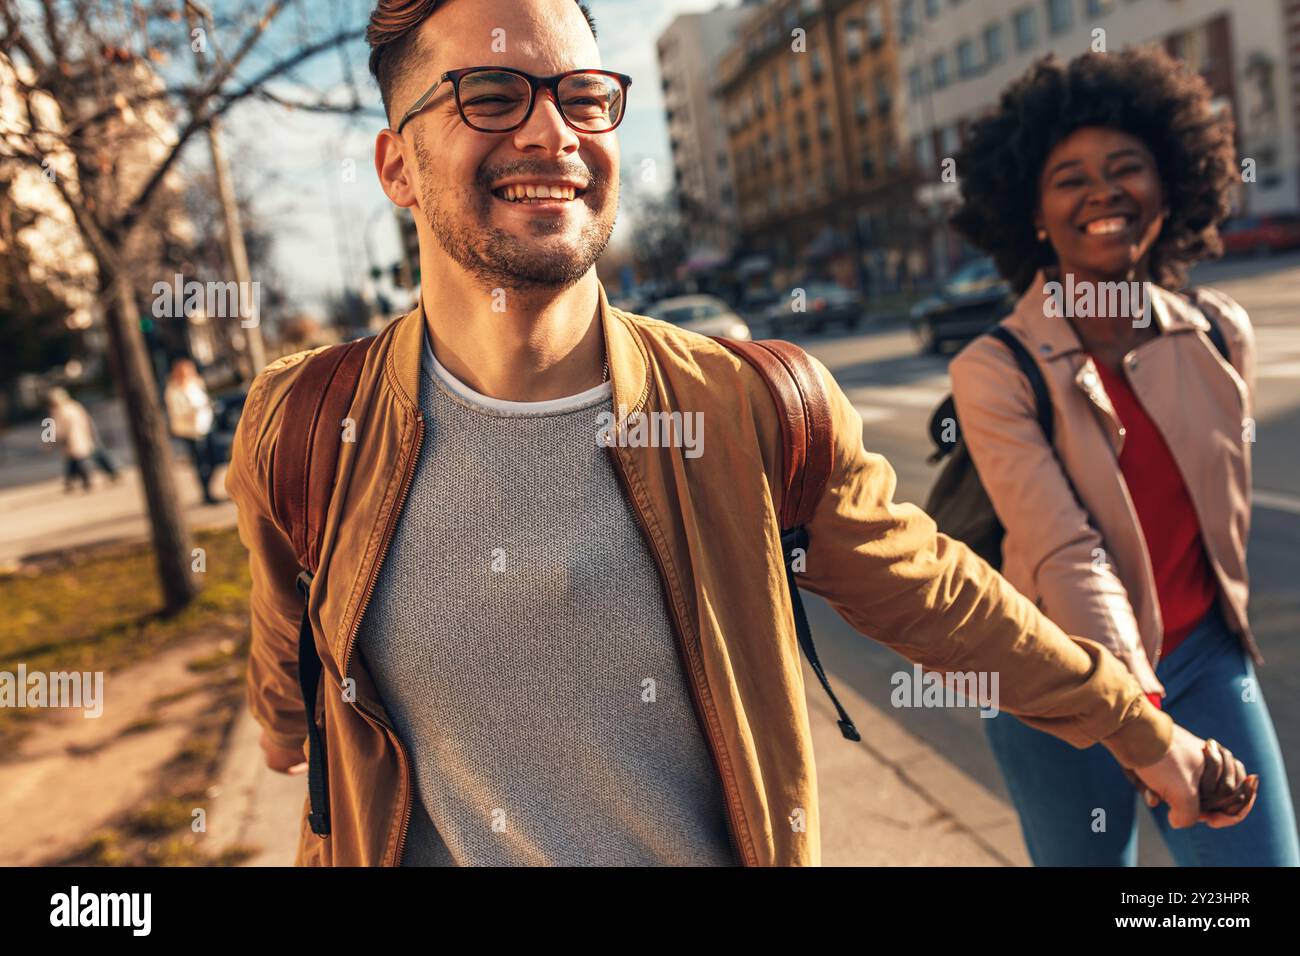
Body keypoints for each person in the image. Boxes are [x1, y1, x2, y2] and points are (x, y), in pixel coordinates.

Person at [225, 0, 1254, 867]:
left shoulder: (750, 408)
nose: (551, 134)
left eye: (582, 96)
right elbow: (290, 649)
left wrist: (1134, 724)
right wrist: (281, 723)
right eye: (490, 96)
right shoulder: (307, 422)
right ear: (397, 166)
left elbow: (942, 596)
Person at [948, 47, 1298, 866]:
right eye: (1069, 177)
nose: (1102, 189)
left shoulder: (1219, 333)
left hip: (1206, 658)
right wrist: (1142, 722)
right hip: (1056, 680)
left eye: (1125, 167)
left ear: (1168, 186)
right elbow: (1068, 552)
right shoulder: (996, 368)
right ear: (1033, 214)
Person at [164, 358, 218, 505]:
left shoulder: (196, 384)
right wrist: (194, 410)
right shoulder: (173, 390)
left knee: (213, 459)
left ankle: (208, 488)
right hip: (190, 432)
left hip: (205, 427)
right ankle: (206, 493)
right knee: (201, 463)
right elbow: (177, 412)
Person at [45, 387, 118, 492]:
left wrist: (49, 442)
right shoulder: (73, 406)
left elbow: (55, 428)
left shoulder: (62, 410)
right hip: (79, 437)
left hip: (75, 438)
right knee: (77, 460)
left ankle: (86, 481)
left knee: (81, 460)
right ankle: (109, 473)